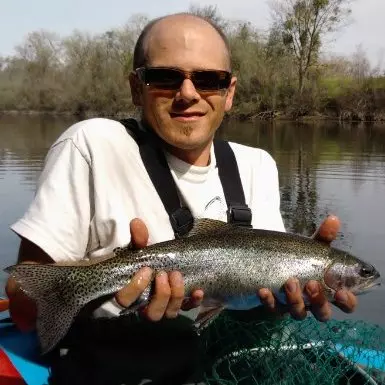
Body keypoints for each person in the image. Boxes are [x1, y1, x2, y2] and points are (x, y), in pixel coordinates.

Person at [5, 12, 357, 384]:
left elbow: (257, 298)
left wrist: (288, 301)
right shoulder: (93, 145)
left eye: (208, 80)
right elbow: (26, 310)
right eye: (165, 77)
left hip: (230, 372)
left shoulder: (257, 165)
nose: (188, 93)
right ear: (136, 88)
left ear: (229, 93)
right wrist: (114, 293)